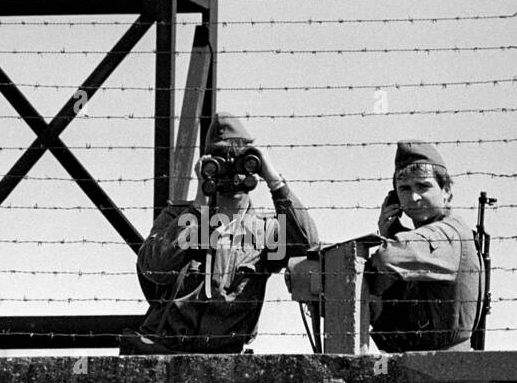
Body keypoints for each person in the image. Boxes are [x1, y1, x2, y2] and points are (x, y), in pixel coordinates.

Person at [123, 113, 319, 354]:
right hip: (164, 353)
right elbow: (154, 268)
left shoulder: (266, 232)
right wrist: (198, 208)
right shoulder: (179, 217)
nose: (232, 173)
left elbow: (309, 246)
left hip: (224, 361)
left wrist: (275, 181)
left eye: (242, 162)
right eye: (221, 163)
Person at [365, 140, 482, 352]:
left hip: (443, 368)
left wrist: (389, 239)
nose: (414, 197)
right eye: (404, 189)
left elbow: (388, 258)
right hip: (414, 363)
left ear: (446, 192)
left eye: (423, 186)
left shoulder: (449, 233)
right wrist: (390, 232)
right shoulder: (419, 240)